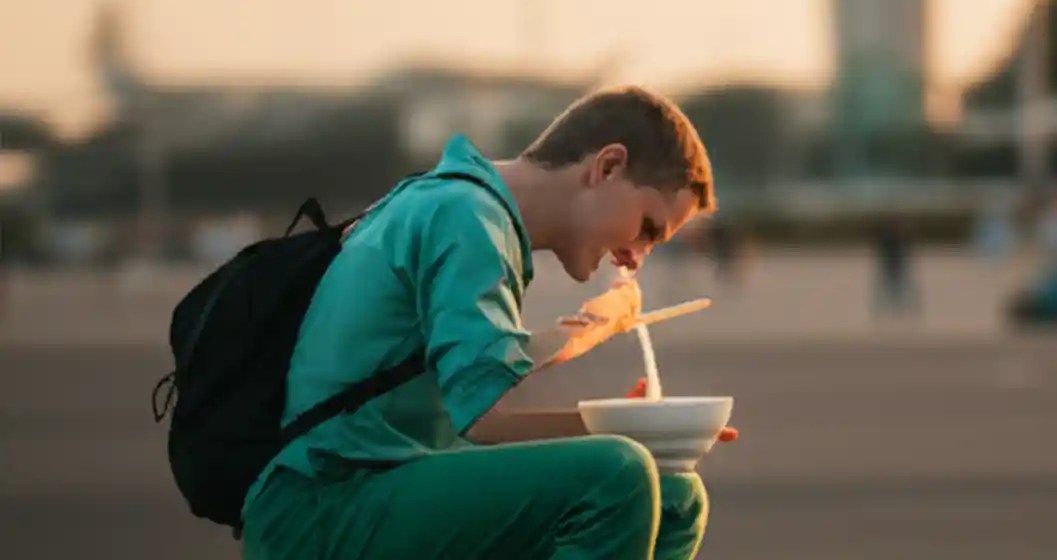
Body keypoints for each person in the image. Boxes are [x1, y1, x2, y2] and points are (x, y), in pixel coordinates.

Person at [241, 86, 733, 560]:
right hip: (321, 508)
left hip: (384, 484)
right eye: (648, 228)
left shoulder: (468, 207)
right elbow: (486, 417)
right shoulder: (466, 215)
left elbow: (469, 414)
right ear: (606, 167)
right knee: (617, 476)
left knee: (675, 497)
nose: (637, 256)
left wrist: (644, 430)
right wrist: (591, 335)